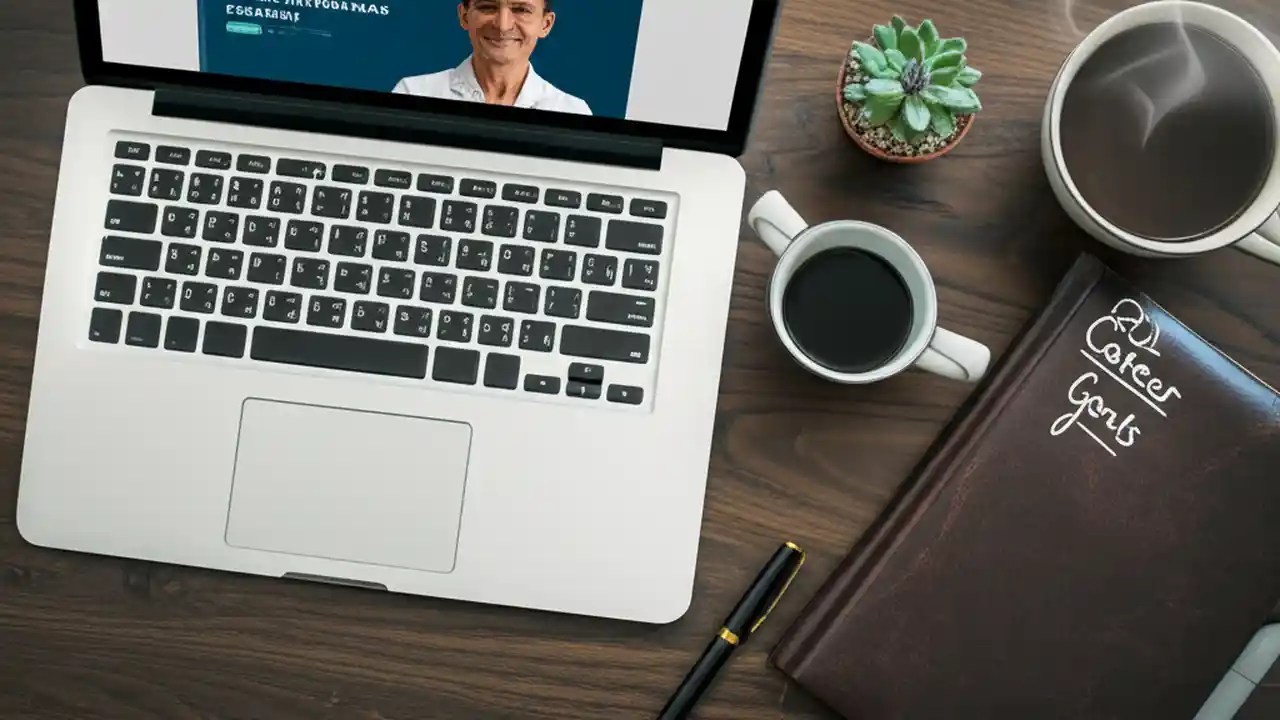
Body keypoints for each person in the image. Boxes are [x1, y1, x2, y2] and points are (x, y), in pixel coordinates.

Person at [393, 0, 591, 115]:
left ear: (545, 24)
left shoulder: (572, 111)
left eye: (521, 9)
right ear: (464, 16)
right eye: (488, 7)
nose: (503, 25)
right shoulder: (412, 94)